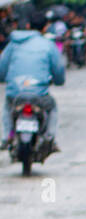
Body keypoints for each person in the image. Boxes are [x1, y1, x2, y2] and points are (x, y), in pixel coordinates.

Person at [0, 3, 64, 151]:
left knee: (7, 106)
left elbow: (2, 67)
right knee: (52, 107)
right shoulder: (48, 45)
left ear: (28, 25)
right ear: (45, 27)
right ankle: (50, 137)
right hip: (39, 94)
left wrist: (3, 79)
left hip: (15, 93)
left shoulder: (13, 43)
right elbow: (59, 70)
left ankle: (6, 137)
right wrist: (59, 81)